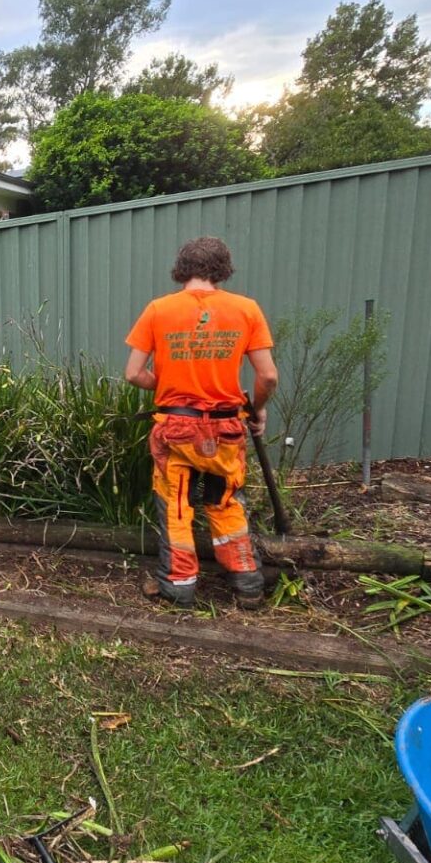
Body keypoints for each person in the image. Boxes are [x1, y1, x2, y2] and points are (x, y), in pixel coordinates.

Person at [122, 237, 278, 609]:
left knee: (176, 506)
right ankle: (248, 586)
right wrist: (256, 409)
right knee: (225, 504)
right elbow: (268, 376)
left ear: (181, 269)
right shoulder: (246, 309)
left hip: (176, 429)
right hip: (226, 430)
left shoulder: (159, 310)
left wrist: (169, 383)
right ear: (222, 269)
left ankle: (179, 587)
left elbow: (132, 374)